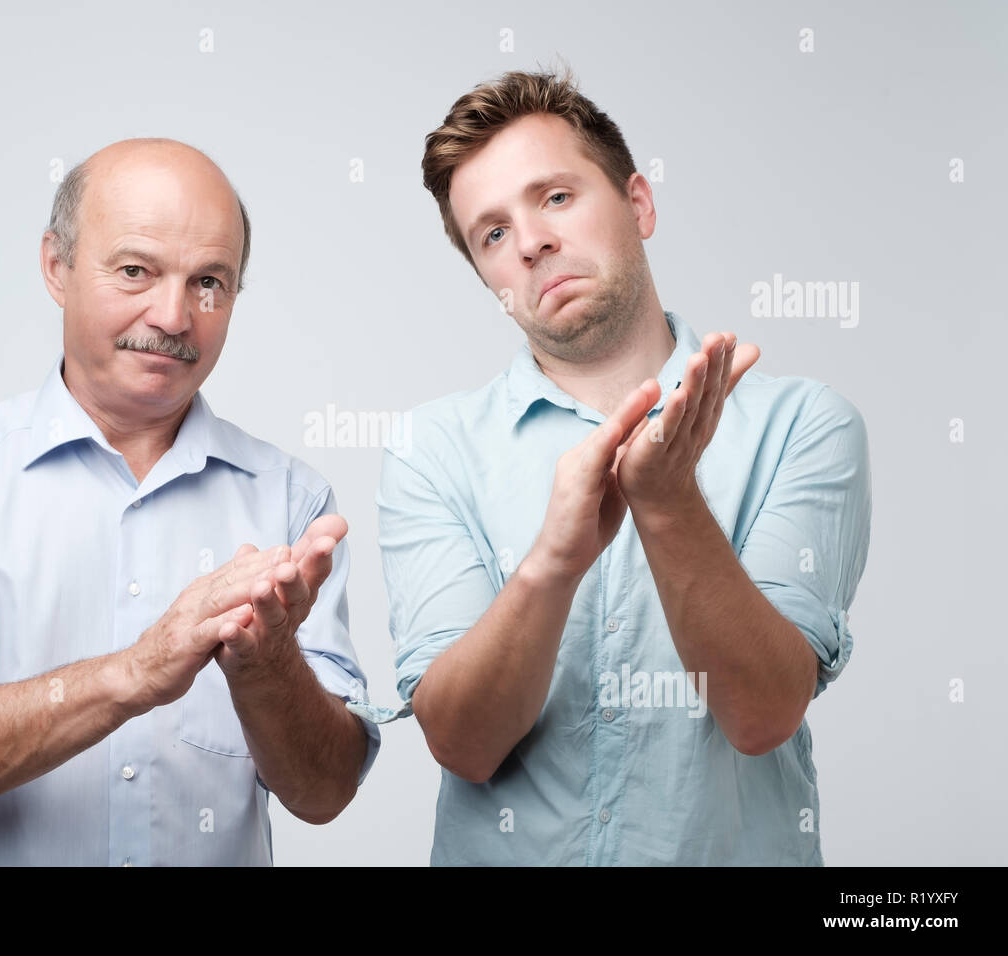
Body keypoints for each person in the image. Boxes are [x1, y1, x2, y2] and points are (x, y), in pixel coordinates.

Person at [0, 138, 379, 865]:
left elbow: (324, 792)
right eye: (137, 270)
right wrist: (134, 673)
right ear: (57, 266)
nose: (175, 315)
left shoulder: (294, 502)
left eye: (209, 281)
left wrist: (269, 670)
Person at [364, 65, 871, 864]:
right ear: (486, 278)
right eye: (491, 234)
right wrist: (552, 564)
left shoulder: (804, 425)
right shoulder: (431, 450)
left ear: (639, 204)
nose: (530, 242)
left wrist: (667, 505)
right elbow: (464, 744)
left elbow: (762, 714)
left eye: (556, 197)